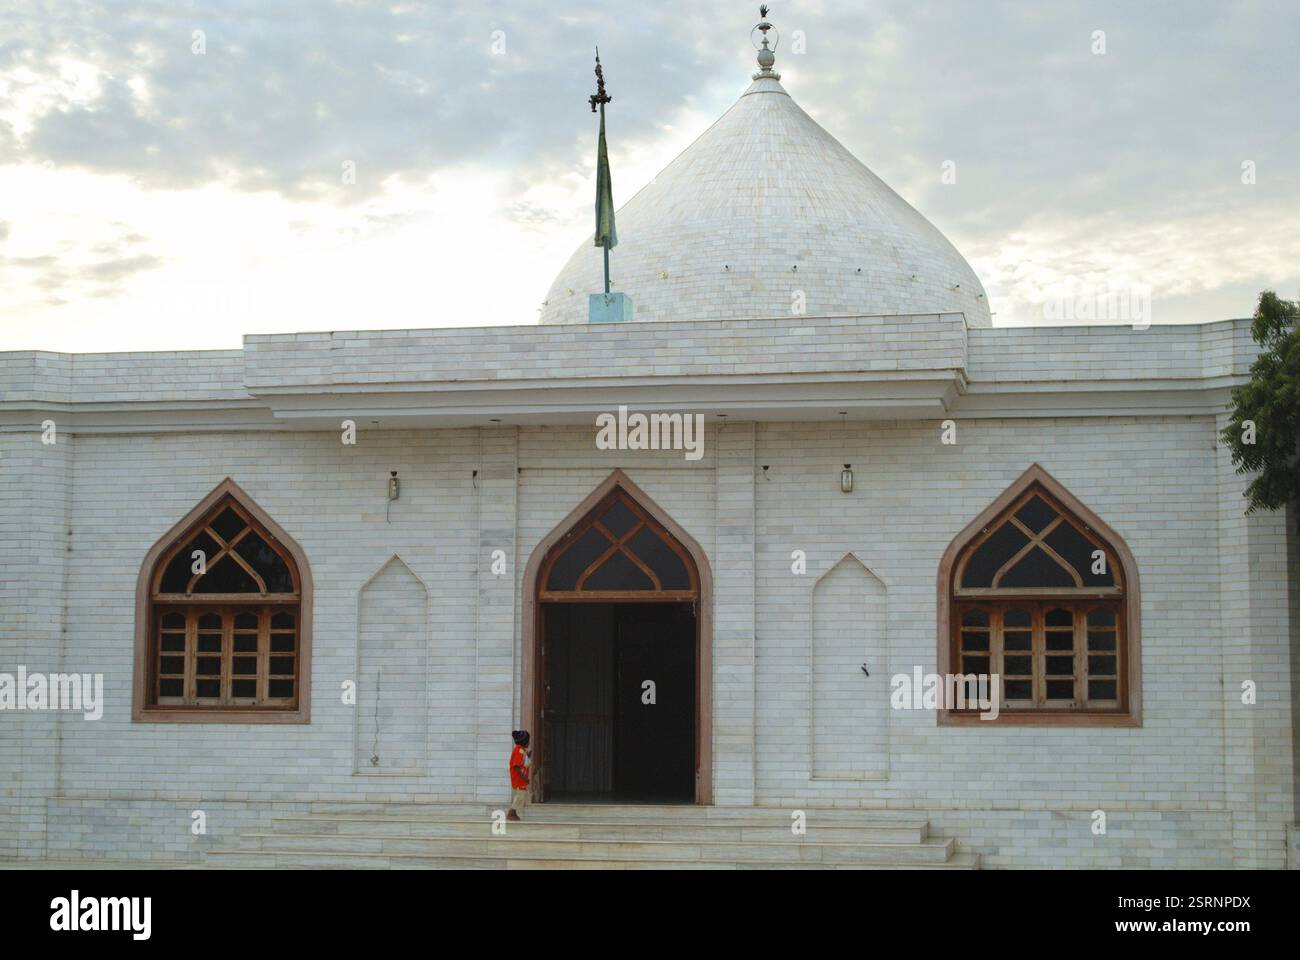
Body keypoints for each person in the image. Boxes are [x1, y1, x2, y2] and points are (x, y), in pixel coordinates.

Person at [507, 730, 532, 821]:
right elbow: (517, 767)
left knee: (521, 796)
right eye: (528, 741)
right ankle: (511, 812)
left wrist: (528, 756)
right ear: (524, 742)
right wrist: (525, 778)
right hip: (519, 779)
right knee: (520, 796)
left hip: (521, 779)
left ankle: (514, 812)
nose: (529, 743)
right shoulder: (519, 751)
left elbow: (524, 762)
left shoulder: (521, 750)